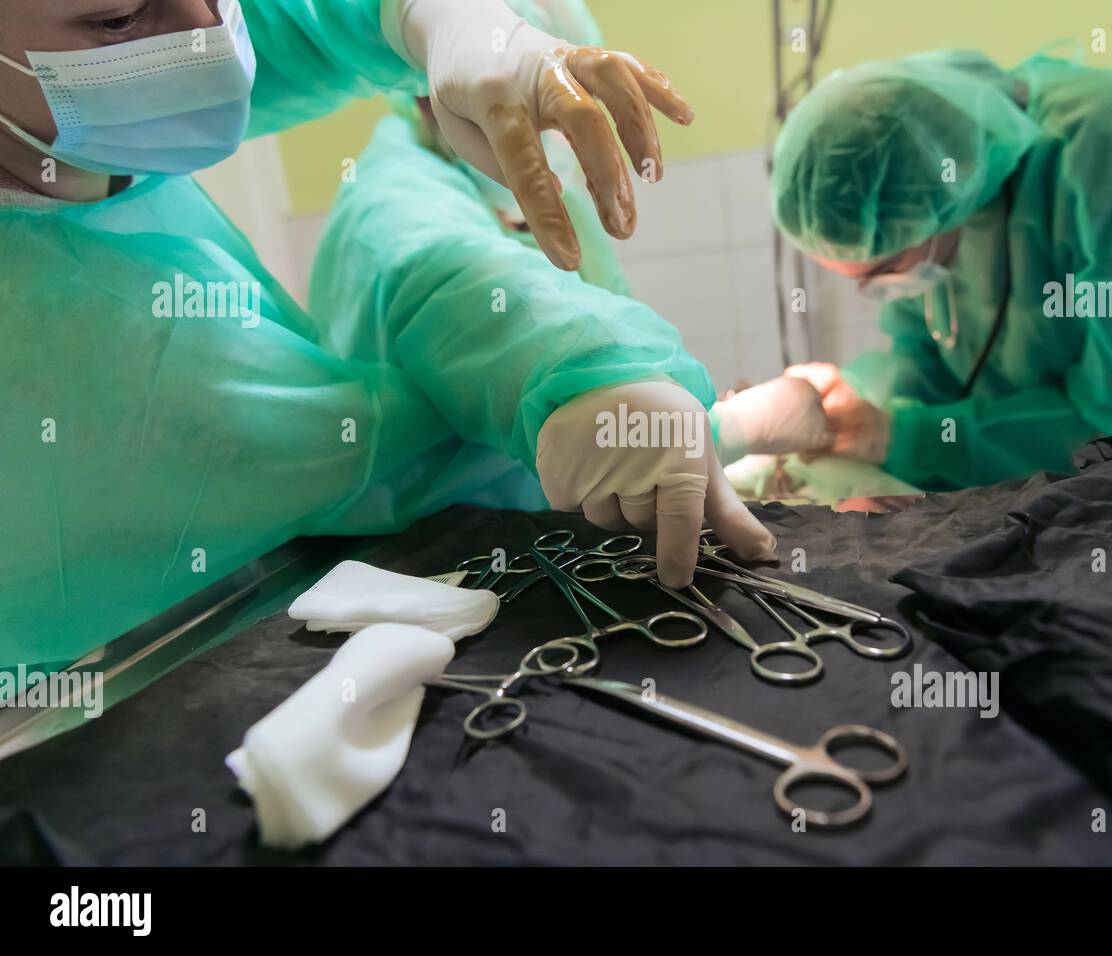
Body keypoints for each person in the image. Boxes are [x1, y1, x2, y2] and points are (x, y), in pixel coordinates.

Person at [0, 0, 773, 669]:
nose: (208, 34)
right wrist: (590, 377)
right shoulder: (48, 345)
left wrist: (444, 20)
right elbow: (366, 450)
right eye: (117, 17)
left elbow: (301, 19)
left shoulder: (78, 125)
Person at [734, 49, 1112, 491]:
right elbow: (928, 361)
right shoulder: (948, 197)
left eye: (881, 270)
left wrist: (900, 437)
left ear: (931, 211)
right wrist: (857, 401)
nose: (871, 291)